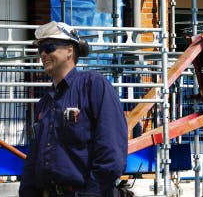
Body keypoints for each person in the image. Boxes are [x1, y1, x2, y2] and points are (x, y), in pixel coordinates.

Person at [20, 21, 128, 197]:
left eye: (49, 47)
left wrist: (90, 194)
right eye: (40, 50)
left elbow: (111, 153)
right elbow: (33, 160)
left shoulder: (93, 85)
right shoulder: (45, 103)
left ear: (70, 50)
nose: (43, 54)